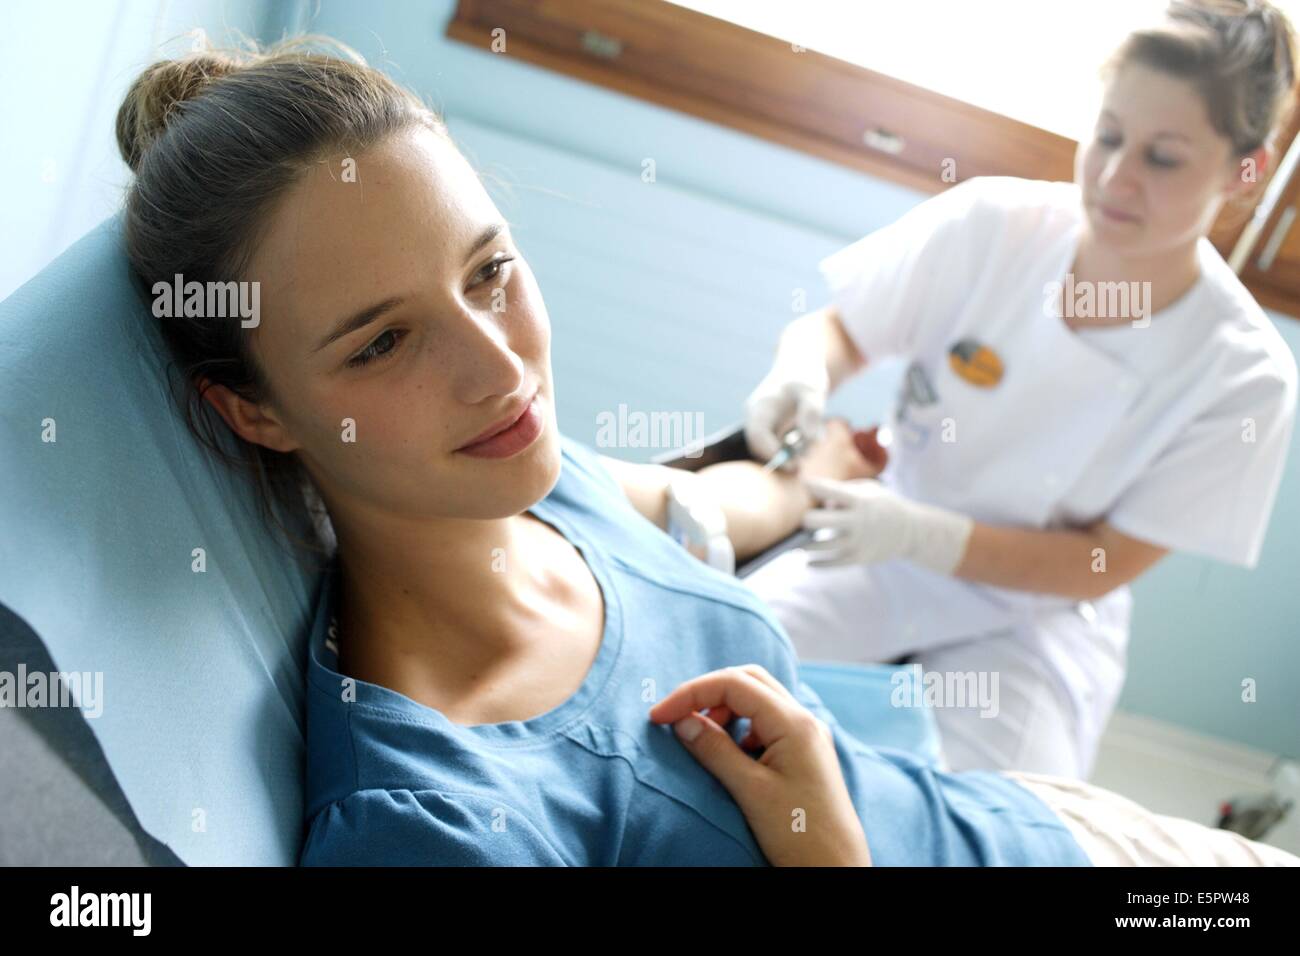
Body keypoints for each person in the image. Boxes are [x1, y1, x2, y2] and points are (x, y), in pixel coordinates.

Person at [114, 36, 1298, 866]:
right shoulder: (440, 822)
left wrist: (807, 474)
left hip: (1042, 826)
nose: (501, 368)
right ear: (253, 409)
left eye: (490, 271)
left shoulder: (546, 479)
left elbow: (712, 505)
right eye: (381, 343)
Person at [742, 0, 1300, 778]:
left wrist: (927, 535)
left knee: (999, 830)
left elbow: (1102, 560)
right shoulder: (992, 225)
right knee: (720, 670)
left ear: (1249, 169)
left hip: (1040, 617)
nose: (1114, 177)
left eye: (1162, 157)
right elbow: (841, 332)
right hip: (878, 544)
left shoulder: (1245, 377)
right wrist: (800, 370)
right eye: (1107, 134)